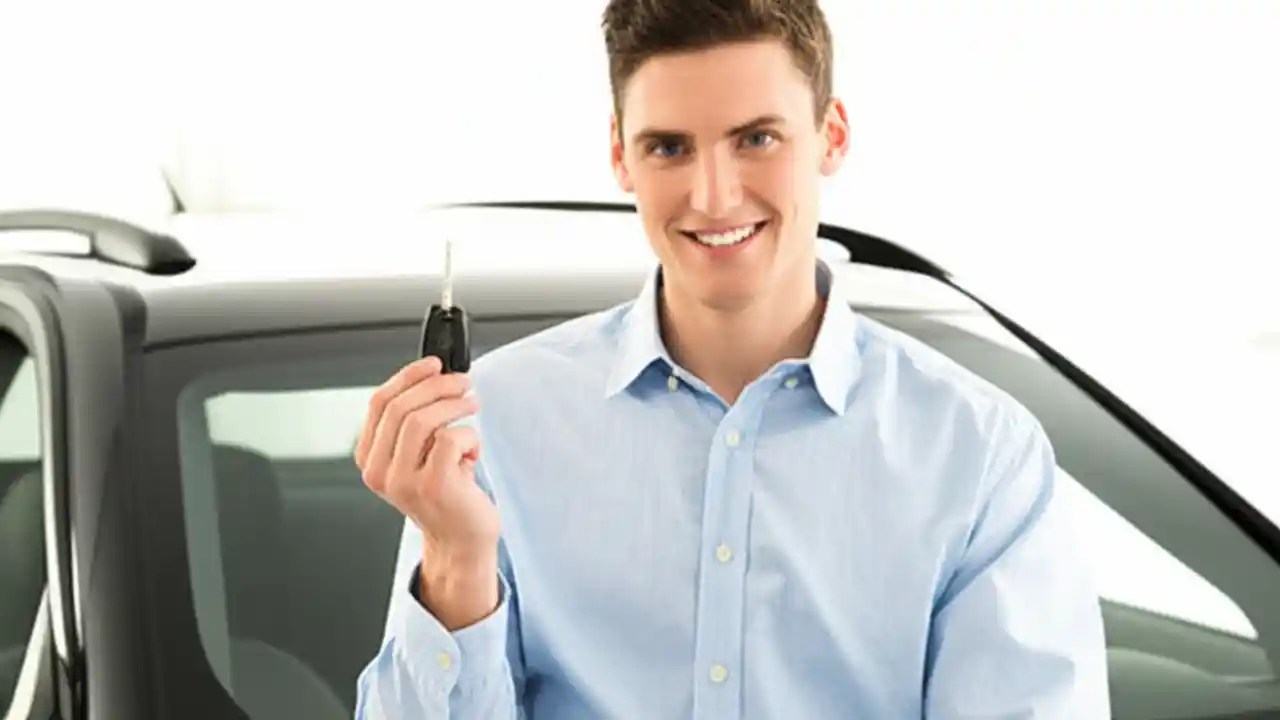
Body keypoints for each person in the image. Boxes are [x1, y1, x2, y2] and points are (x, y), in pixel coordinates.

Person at [352, 0, 1110, 717]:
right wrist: (454, 561)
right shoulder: (494, 429)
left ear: (832, 135)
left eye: (756, 139)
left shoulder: (977, 457)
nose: (713, 197)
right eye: (669, 147)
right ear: (621, 154)